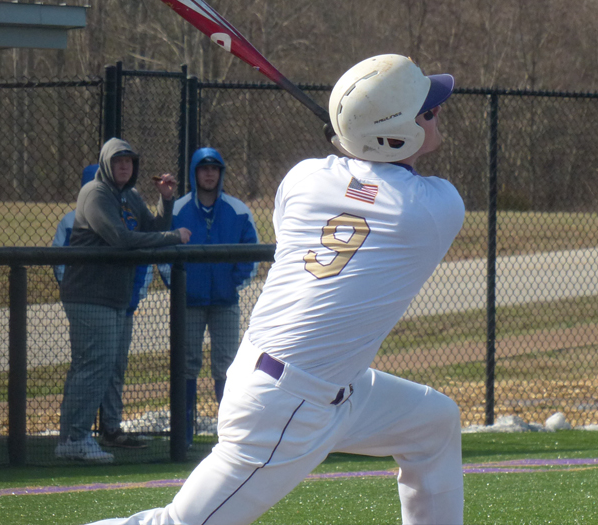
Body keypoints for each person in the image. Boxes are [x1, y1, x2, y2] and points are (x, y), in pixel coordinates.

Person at [88, 54, 465, 524]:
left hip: (324, 382)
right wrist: (362, 161)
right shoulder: (436, 208)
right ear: (397, 133)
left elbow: (311, 221)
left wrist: (354, 156)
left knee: (433, 424)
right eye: (427, 111)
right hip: (287, 405)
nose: (438, 112)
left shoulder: (306, 177)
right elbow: (386, 192)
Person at [56, 138, 192, 463]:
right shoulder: (95, 193)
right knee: (92, 367)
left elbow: (153, 227)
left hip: (115, 298)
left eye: (129, 162)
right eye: (118, 161)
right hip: (90, 295)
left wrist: (166, 200)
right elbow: (122, 239)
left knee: (103, 368)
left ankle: (74, 437)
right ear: (106, 163)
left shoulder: (128, 196)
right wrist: (173, 237)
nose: (124, 167)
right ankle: (74, 438)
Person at [159, 147, 259, 446]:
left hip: (225, 302)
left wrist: (233, 283)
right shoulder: (177, 210)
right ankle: (183, 432)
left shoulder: (238, 210)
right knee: (186, 364)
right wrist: (178, 287)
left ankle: (229, 433)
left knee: (227, 365)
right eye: (204, 168)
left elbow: (251, 254)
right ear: (194, 173)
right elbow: (162, 252)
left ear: (222, 172)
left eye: (215, 168)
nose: (209, 173)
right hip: (188, 302)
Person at [53, 164, 155, 451]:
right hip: (93, 303)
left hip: (122, 302)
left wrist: (136, 295)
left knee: (112, 367)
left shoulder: (129, 211)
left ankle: (108, 429)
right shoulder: (74, 218)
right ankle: (74, 437)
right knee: (91, 367)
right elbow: (61, 263)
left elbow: (143, 254)